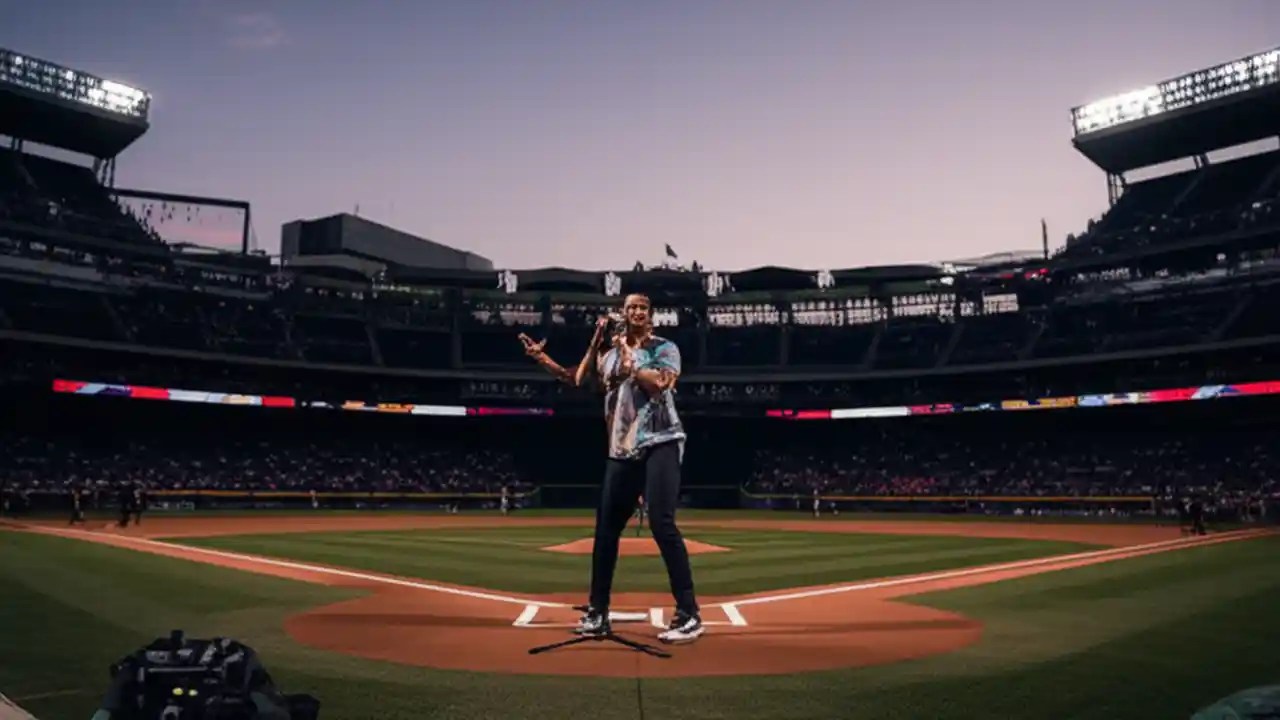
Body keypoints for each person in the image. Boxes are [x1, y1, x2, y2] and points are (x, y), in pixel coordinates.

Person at [518, 293, 703, 644]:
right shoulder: (609, 356)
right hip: (622, 450)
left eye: (642, 308)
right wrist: (542, 358)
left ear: (649, 316)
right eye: (630, 307)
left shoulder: (665, 348)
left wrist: (630, 357)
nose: (636, 311)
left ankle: (689, 613)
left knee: (662, 524)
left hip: (661, 440)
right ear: (623, 313)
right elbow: (577, 378)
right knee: (605, 533)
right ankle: (597, 612)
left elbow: (660, 384)